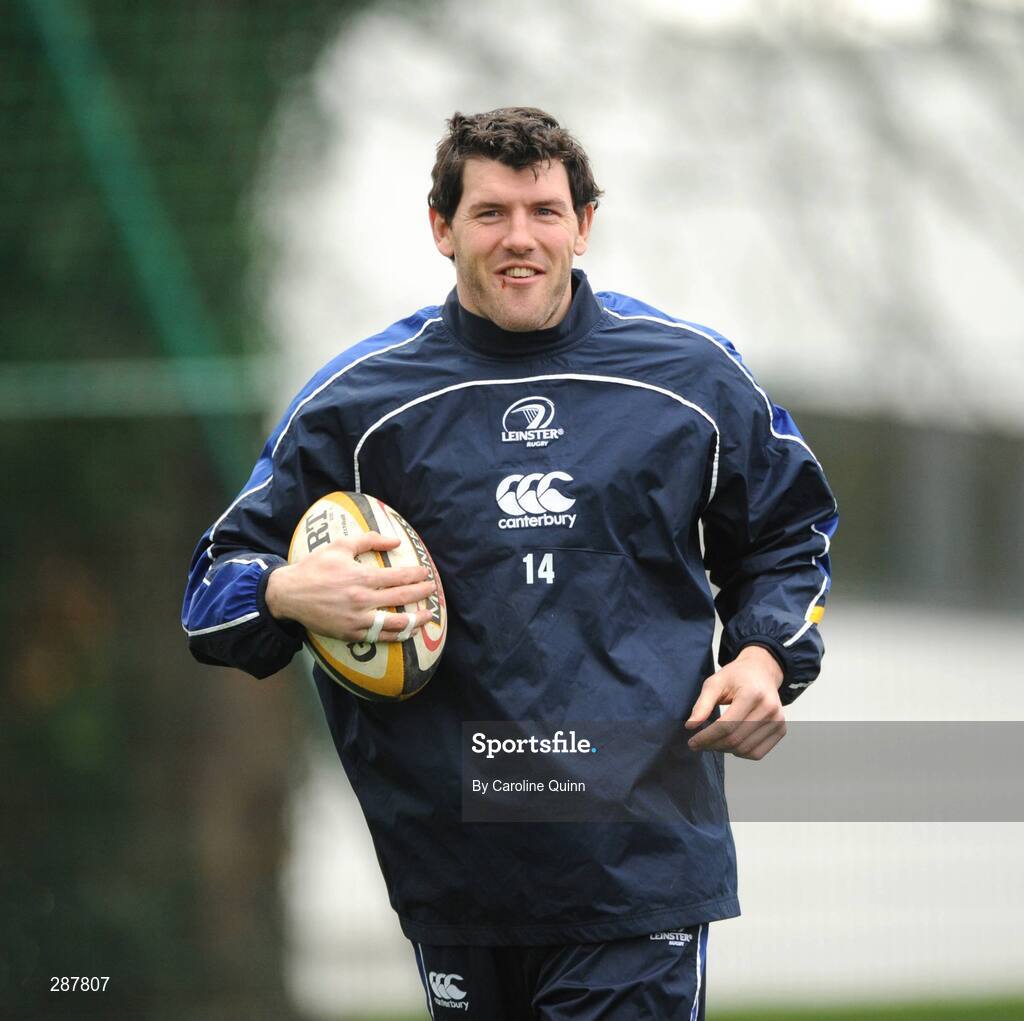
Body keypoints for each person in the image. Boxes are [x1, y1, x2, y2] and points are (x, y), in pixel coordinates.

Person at [182, 107, 838, 1019]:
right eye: (491, 213)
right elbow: (212, 593)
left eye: (544, 210)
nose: (520, 238)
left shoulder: (690, 379)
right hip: (451, 868)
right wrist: (291, 590)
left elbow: (790, 533)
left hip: (635, 862)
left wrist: (767, 657)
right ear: (442, 229)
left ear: (584, 224)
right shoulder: (357, 404)